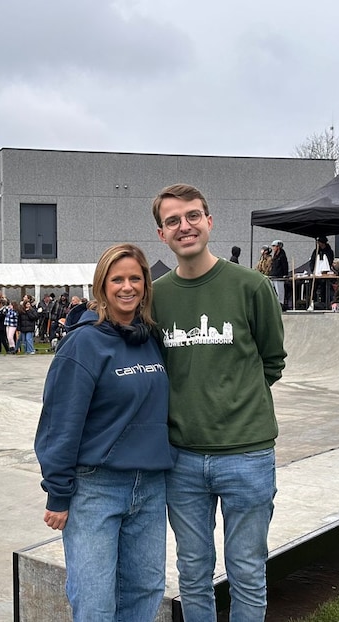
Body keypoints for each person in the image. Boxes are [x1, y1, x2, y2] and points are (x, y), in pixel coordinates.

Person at [151, 184, 286, 621]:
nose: (184, 226)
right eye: (173, 220)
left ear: (209, 221)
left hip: (247, 455)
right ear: (162, 234)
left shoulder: (251, 286)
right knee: (192, 572)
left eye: (192, 216)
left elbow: (272, 361)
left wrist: (235, 403)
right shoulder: (156, 297)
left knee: (247, 571)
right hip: (182, 459)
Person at [34, 243, 172, 621]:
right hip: (96, 489)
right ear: (102, 286)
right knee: (95, 603)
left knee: (145, 594)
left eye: (135, 278)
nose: (127, 287)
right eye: (117, 279)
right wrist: (58, 494)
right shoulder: (83, 343)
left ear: (145, 284)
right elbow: (60, 424)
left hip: (150, 486)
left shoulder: (152, 340)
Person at [267, 240, 289, 309]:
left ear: (278, 247)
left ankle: (280, 305)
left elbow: (285, 265)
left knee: (280, 292)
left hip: (279, 276)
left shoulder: (282, 256)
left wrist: (285, 274)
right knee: (272, 291)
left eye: (274, 246)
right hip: (273, 276)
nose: (273, 248)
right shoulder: (275, 255)